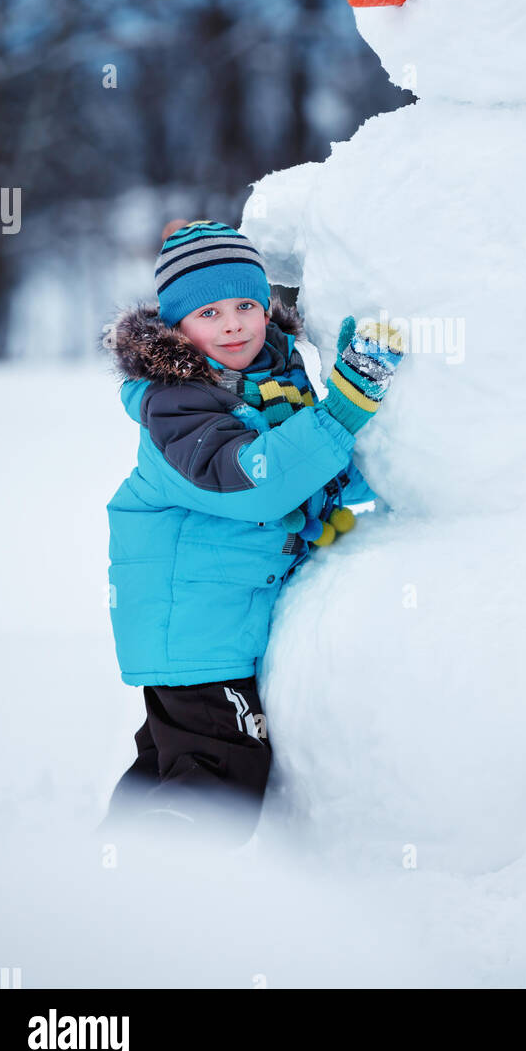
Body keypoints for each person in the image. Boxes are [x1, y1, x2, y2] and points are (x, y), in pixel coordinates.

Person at [97, 219, 405, 848]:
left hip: (210, 626)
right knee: (221, 776)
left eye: (246, 303)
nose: (234, 323)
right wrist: (344, 407)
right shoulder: (174, 402)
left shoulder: (273, 378)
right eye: (209, 312)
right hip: (197, 631)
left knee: (171, 763)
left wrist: (399, 460)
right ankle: (164, 888)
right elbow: (253, 478)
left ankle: (107, 874)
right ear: (177, 328)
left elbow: (316, 473)